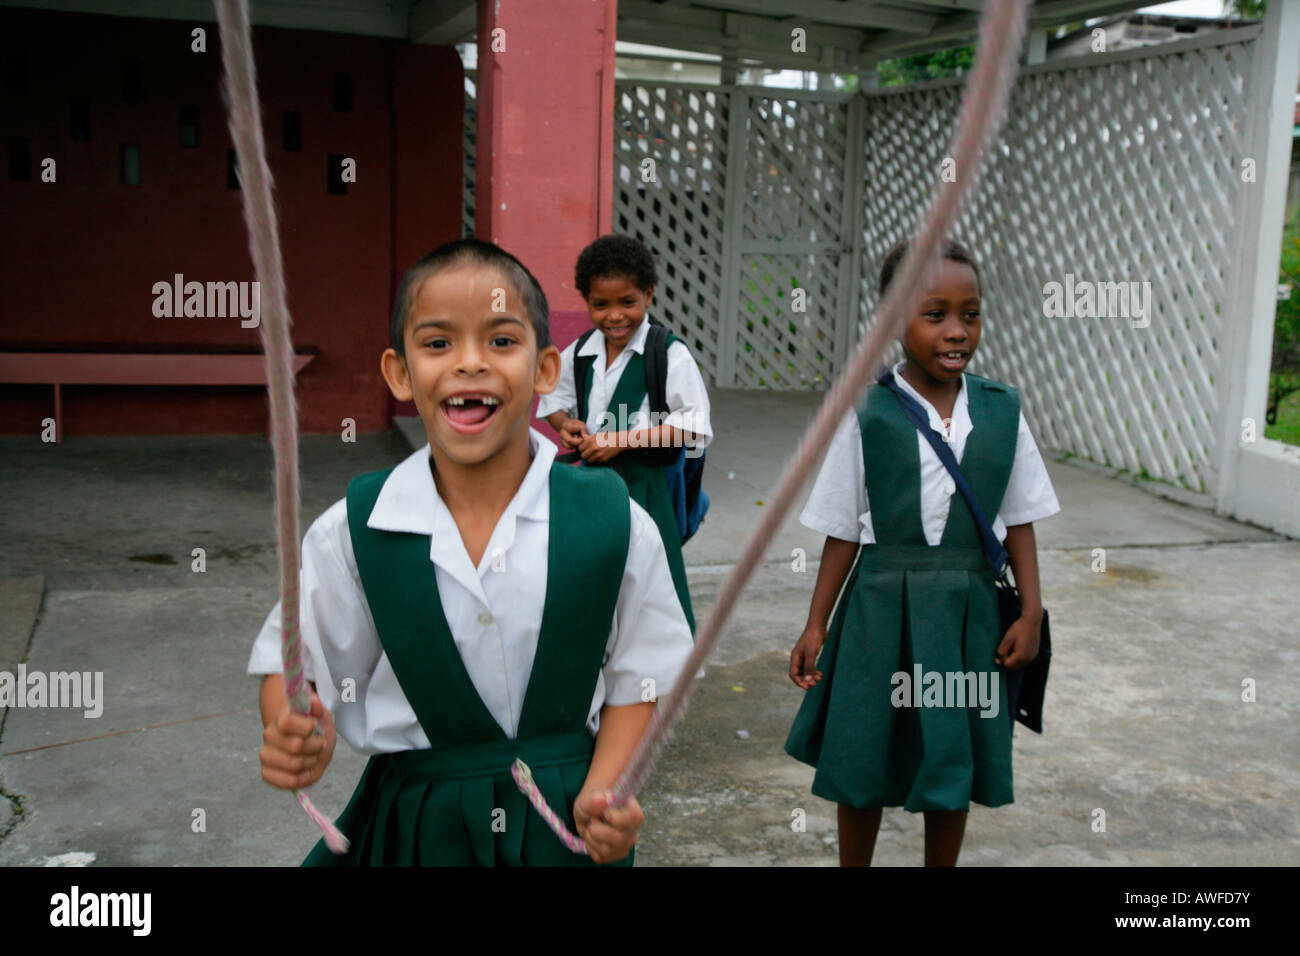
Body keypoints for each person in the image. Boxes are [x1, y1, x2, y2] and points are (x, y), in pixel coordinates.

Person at [248, 237, 693, 867]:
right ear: (400, 373)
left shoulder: (613, 519)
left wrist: (607, 788)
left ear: (545, 371)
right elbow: (296, 663)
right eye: (437, 343)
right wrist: (293, 725)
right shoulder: (356, 528)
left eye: (501, 341)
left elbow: (643, 673)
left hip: (565, 820)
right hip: (417, 829)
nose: (469, 363)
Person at [785, 238, 1060, 866]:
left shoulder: (1002, 412)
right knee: (862, 749)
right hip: (879, 606)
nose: (957, 331)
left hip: (968, 612)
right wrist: (816, 622)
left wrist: (1031, 614)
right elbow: (842, 530)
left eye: (971, 314)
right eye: (934, 314)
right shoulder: (867, 411)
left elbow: (1019, 522)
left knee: (950, 752)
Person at [538, 234, 712, 631]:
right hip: (593, 487)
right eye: (601, 305)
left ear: (648, 295)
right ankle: (598, 656)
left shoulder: (668, 353)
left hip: (646, 487)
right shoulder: (581, 351)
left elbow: (694, 426)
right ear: (587, 301)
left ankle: (659, 671)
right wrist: (568, 426)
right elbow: (552, 400)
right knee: (596, 576)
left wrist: (619, 440)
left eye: (627, 303)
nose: (615, 316)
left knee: (649, 579)